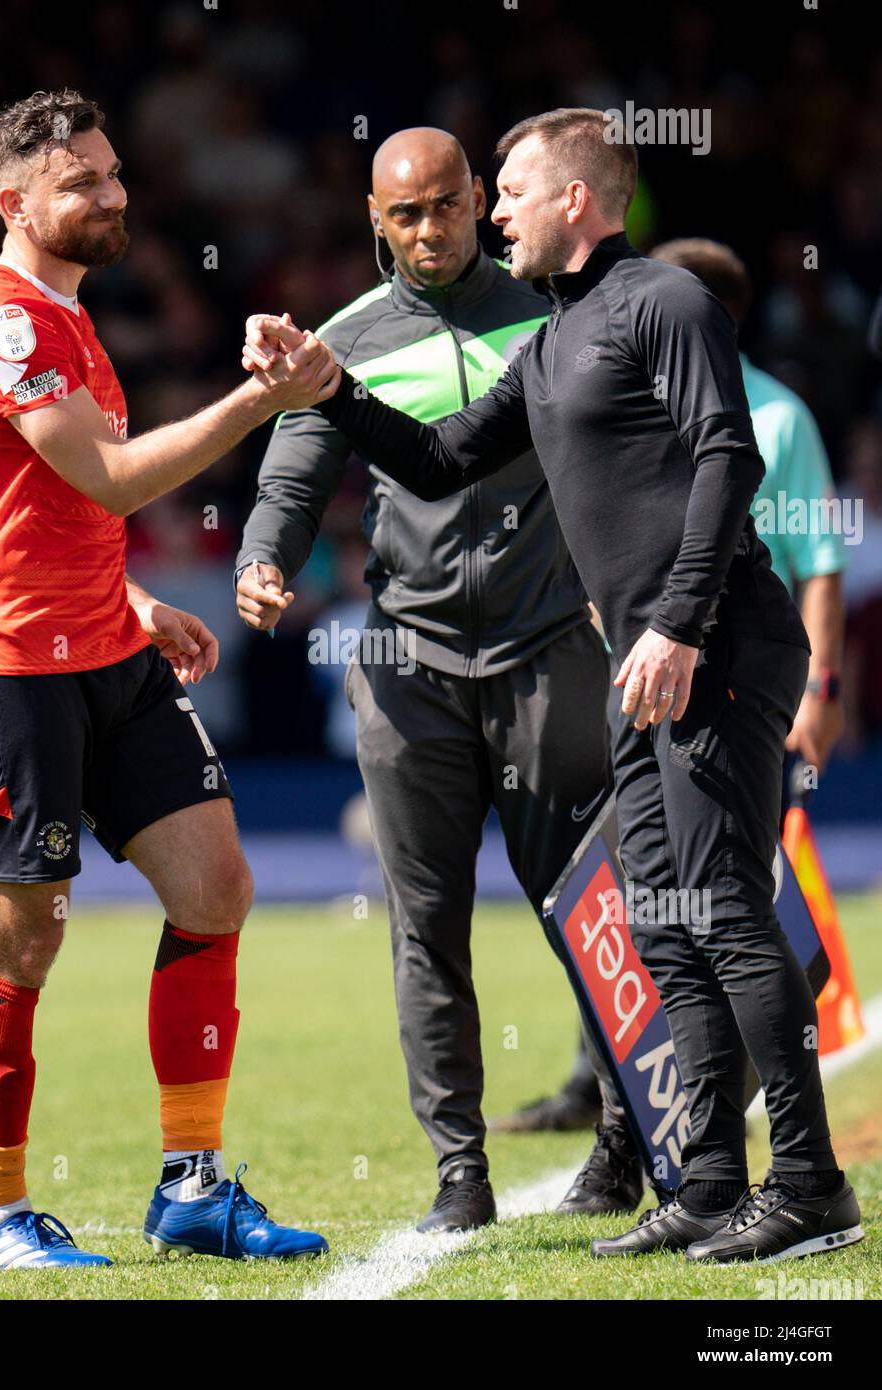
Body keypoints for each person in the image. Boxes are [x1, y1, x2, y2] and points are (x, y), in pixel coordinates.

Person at [242, 108, 863, 1265]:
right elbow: (431, 460)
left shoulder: (664, 304)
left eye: (509, 188)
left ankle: (810, 1185)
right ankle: (707, 1184)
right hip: (638, 669)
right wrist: (327, 386)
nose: (495, 209)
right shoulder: (553, 341)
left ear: (576, 198)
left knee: (722, 910)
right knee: (658, 927)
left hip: (711, 648)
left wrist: (678, 622)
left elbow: (725, 452)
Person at [0, 87, 337, 1270]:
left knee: (214, 889)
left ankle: (192, 1187)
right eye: (79, 183)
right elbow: (105, 477)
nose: (110, 195)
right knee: (21, 946)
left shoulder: (67, 312)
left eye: (110, 174)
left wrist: (140, 602)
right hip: (5, 669)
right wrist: (266, 396)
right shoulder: (1, 318)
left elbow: (37, 507)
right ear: (15, 201)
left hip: (107, 649)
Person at [235, 127, 641, 1232]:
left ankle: (619, 1138)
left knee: (590, 910)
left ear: (477, 201)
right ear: (375, 220)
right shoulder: (345, 340)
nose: (427, 231)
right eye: (403, 215)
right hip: (408, 666)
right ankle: (458, 1176)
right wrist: (261, 556)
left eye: (447, 206)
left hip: (552, 651)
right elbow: (294, 469)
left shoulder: (553, 312)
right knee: (426, 927)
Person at [507, 235, 849, 1136]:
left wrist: (823, 688)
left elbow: (816, 561)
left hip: (729, 650)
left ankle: (796, 1164)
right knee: (652, 899)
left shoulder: (776, 419)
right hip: (646, 661)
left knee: (729, 901)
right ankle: (662, 1136)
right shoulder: (623, 392)